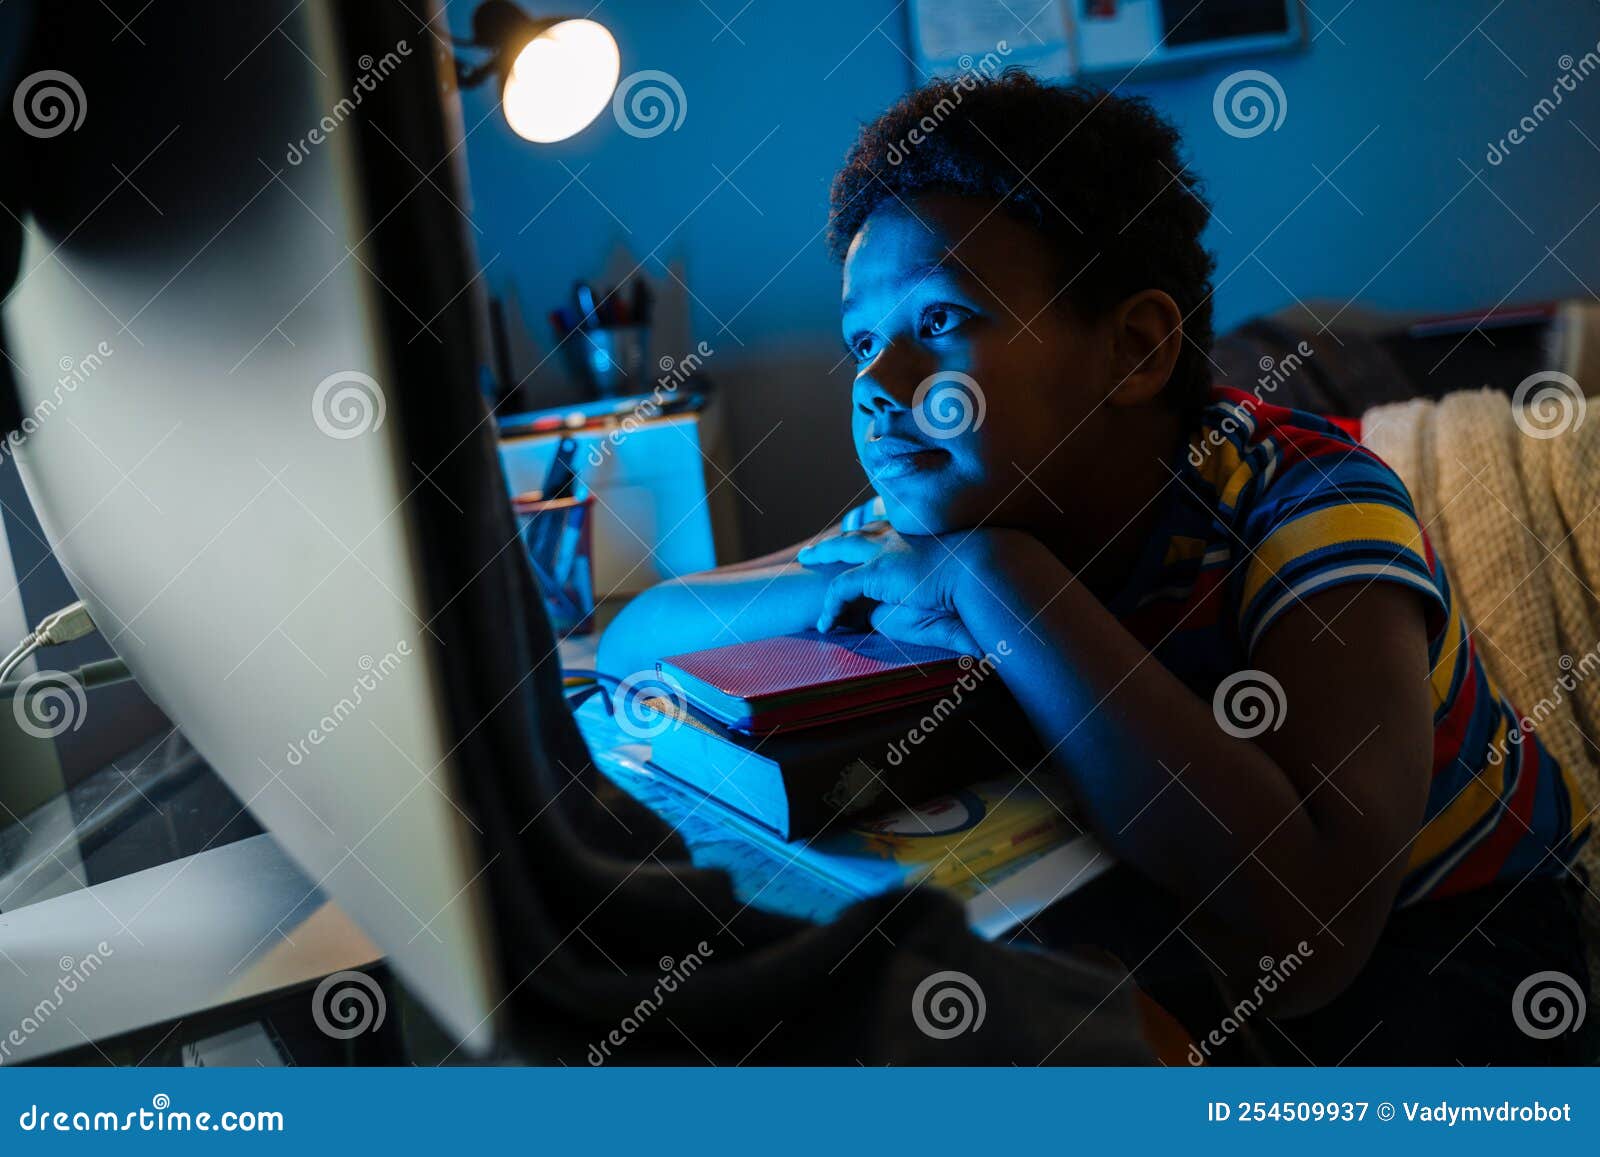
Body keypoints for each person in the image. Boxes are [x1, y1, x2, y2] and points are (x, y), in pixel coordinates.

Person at [597, 72, 1592, 1063]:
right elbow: (634, 637)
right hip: (1164, 925)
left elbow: (1308, 942)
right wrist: (832, 586)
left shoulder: (1307, 499)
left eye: (939, 321)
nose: (876, 382)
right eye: (861, 340)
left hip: (1463, 944)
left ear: (1134, 349)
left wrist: (998, 581)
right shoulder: (930, 521)